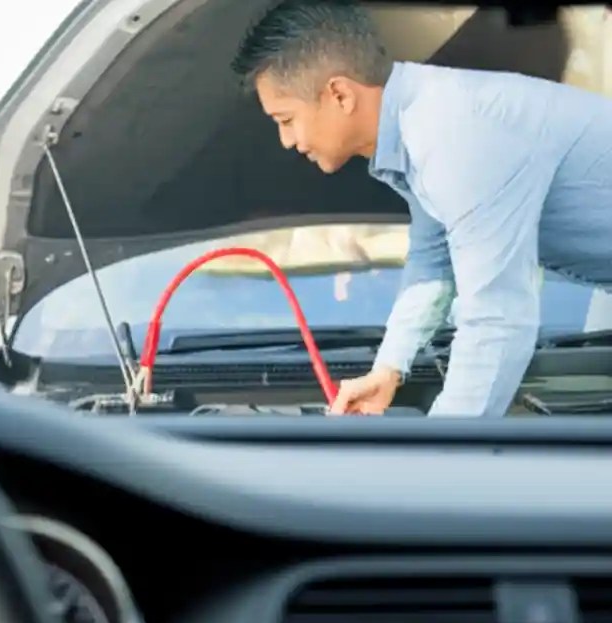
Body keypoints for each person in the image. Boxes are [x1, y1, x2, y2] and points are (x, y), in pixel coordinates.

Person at [230, 0, 612, 417]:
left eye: (286, 119)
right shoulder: (419, 124)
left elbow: (497, 319)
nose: (286, 140)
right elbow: (433, 261)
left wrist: (440, 457)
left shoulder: (455, 134)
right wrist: (389, 368)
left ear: (339, 93)